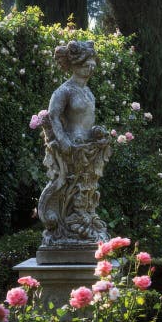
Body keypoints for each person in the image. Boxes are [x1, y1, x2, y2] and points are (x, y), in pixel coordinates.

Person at [38, 41, 111, 248]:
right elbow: (53, 115)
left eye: (92, 64)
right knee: (72, 187)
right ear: (74, 65)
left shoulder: (88, 92)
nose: (91, 68)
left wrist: (98, 133)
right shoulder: (64, 90)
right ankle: (66, 228)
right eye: (86, 64)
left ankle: (84, 221)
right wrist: (62, 140)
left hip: (88, 148)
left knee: (87, 186)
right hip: (72, 149)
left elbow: (88, 121)